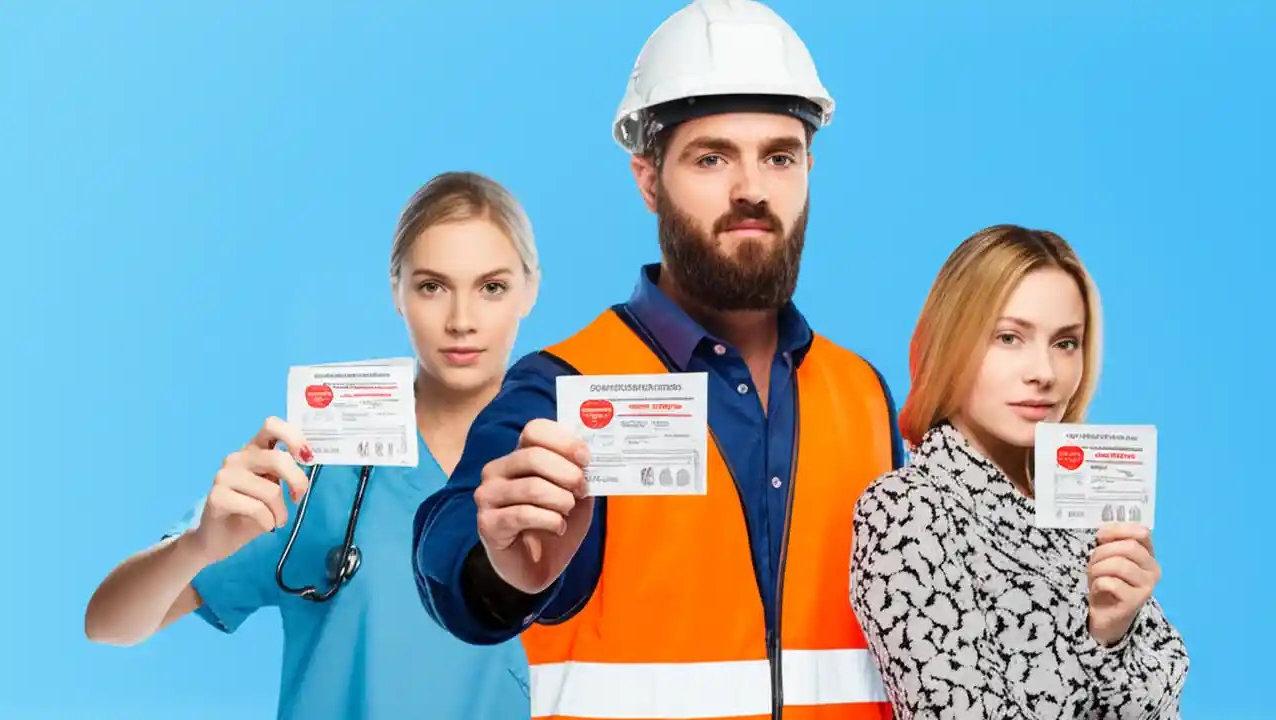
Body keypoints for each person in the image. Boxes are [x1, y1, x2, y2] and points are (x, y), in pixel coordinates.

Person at [412, 2, 901, 719]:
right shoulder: (567, 387)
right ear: (647, 180)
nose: (752, 190)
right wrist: (504, 573)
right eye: (711, 157)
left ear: (807, 169)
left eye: (779, 155)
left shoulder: (862, 393)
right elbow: (453, 541)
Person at [84, 171, 540, 720]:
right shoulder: (323, 462)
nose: (462, 321)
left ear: (530, 289)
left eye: (491, 287)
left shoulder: (563, 467)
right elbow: (108, 624)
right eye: (431, 286)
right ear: (395, 290)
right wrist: (197, 547)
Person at [849, 225, 1190, 719]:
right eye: (1009, 338)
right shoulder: (907, 510)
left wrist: (1113, 631)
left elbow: (1164, 700)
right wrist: (1101, 646)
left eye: (1065, 343)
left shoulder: (1085, 508)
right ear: (952, 342)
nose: (1044, 372)